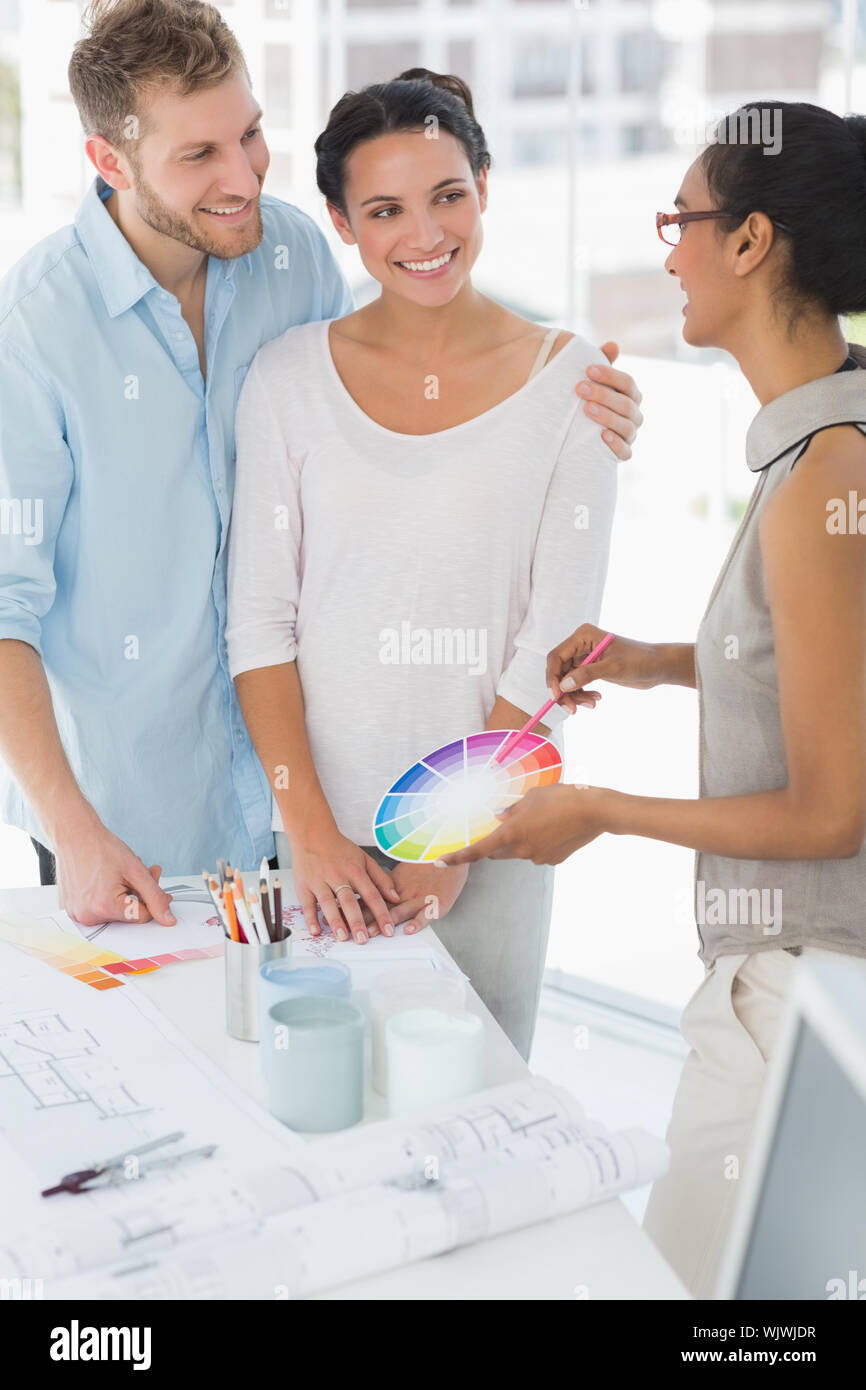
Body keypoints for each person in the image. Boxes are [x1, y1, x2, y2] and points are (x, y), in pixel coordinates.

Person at [0, 2, 641, 927]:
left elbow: (384, 407)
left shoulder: (290, 251)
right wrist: (75, 830)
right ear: (110, 161)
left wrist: (576, 396)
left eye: (250, 135)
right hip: (133, 813)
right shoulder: (35, 335)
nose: (243, 177)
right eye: (199, 157)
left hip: (317, 798)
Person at [439, 101, 866, 1294]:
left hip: (797, 987)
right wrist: (657, 659)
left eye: (681, 218)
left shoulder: (828, 476)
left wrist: (600, 810)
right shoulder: (825, 446)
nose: (666, 246)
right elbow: (827, 669)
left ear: (749, 243)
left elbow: (830, 809)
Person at [226, 69, 644, 1059]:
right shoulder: (286, 378)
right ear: (340, 222)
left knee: (478, 1115)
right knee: (316, 1103)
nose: (424, 234)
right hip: (316, 836)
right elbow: (258, 622)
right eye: (385, 209)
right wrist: (315, 836)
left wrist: (449, 838)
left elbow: (555, 635)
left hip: (490, 832)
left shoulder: (573, 383)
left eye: (447, 195)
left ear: (485, 186)